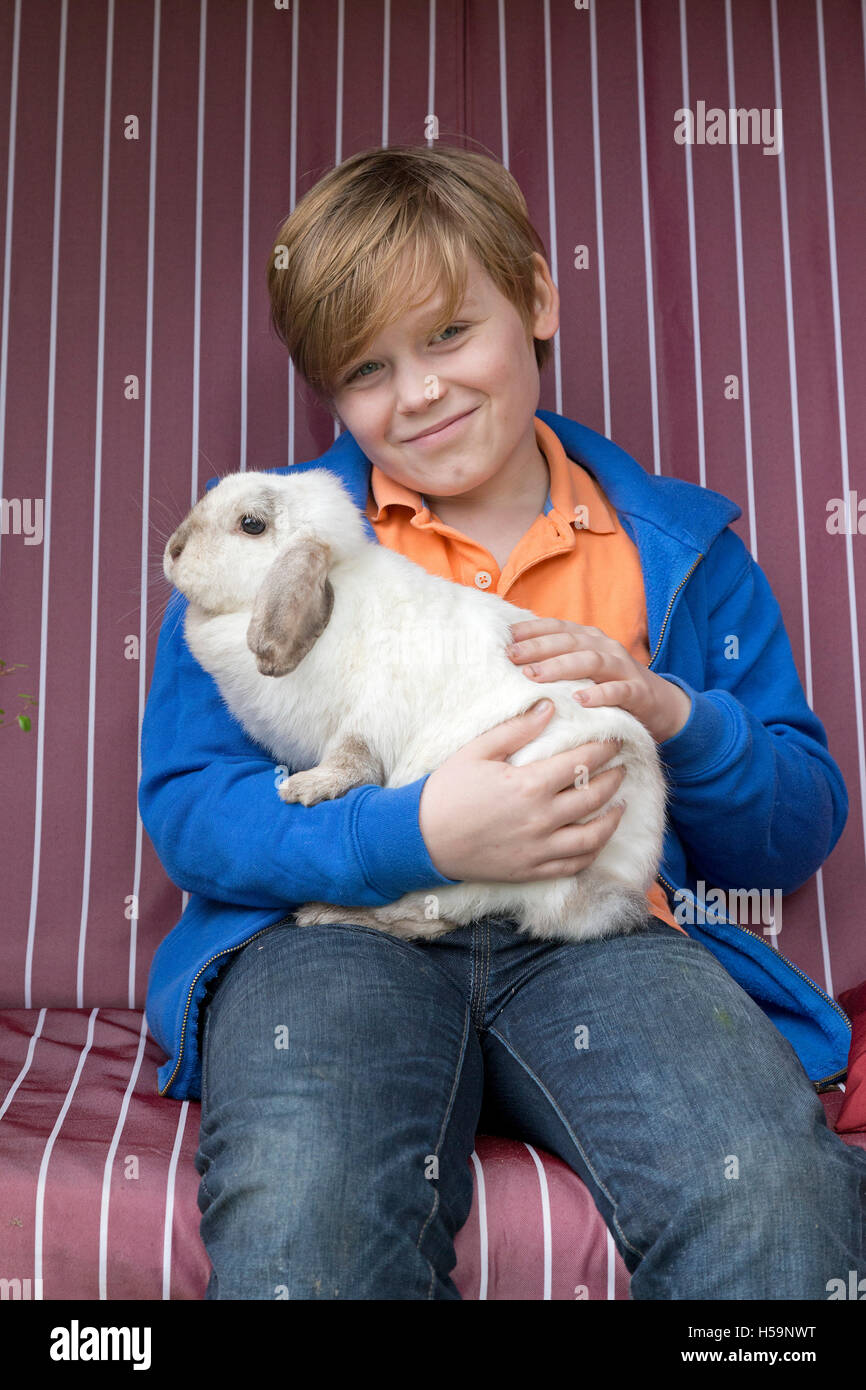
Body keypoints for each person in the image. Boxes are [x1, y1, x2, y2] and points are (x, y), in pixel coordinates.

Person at [139, 143, 866, 1300]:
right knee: (310, 1203)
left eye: (445, 334)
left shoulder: (676, 551)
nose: (417, 390)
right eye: (366, 367)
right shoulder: (274, 542)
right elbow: (191, 806)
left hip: (594, 937)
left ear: (534, 295)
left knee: (769, 1191)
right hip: (333, 931)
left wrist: (677, 715)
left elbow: (795, 821)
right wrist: (415, 833)